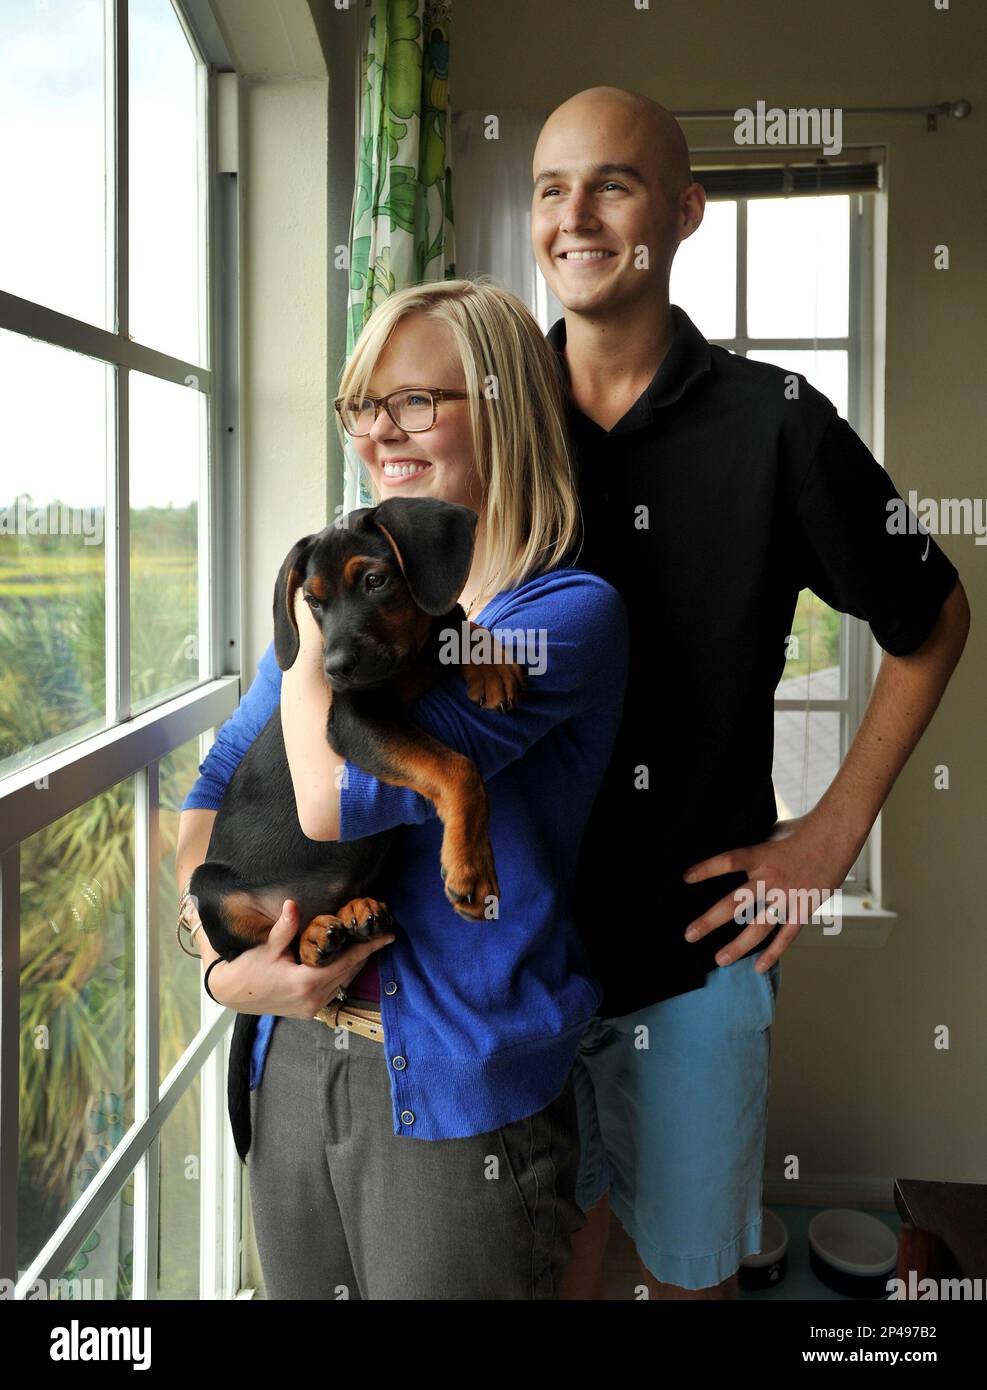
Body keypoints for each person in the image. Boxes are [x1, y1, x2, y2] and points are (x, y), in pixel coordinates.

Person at [528, 86, 970, 1299]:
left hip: (701, 958)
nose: (575, 216)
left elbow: (935, 617)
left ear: (683, 212)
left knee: (690, 1285)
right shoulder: (495, 410)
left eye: (611, 184)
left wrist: (832, 833)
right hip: (515, 952)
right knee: (543, 1276)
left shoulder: (777, 424)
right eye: (551, 187)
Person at [175, 279, 630, 1300]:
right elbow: (212, 791)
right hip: (289, 1055)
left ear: (506, 405)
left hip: (461, 1095)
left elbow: (335, 796)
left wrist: (310, 648)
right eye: (363, 405)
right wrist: (221, 966)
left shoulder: (569, 613)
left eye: (415, 400)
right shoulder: (340, 599)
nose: (380, 430)